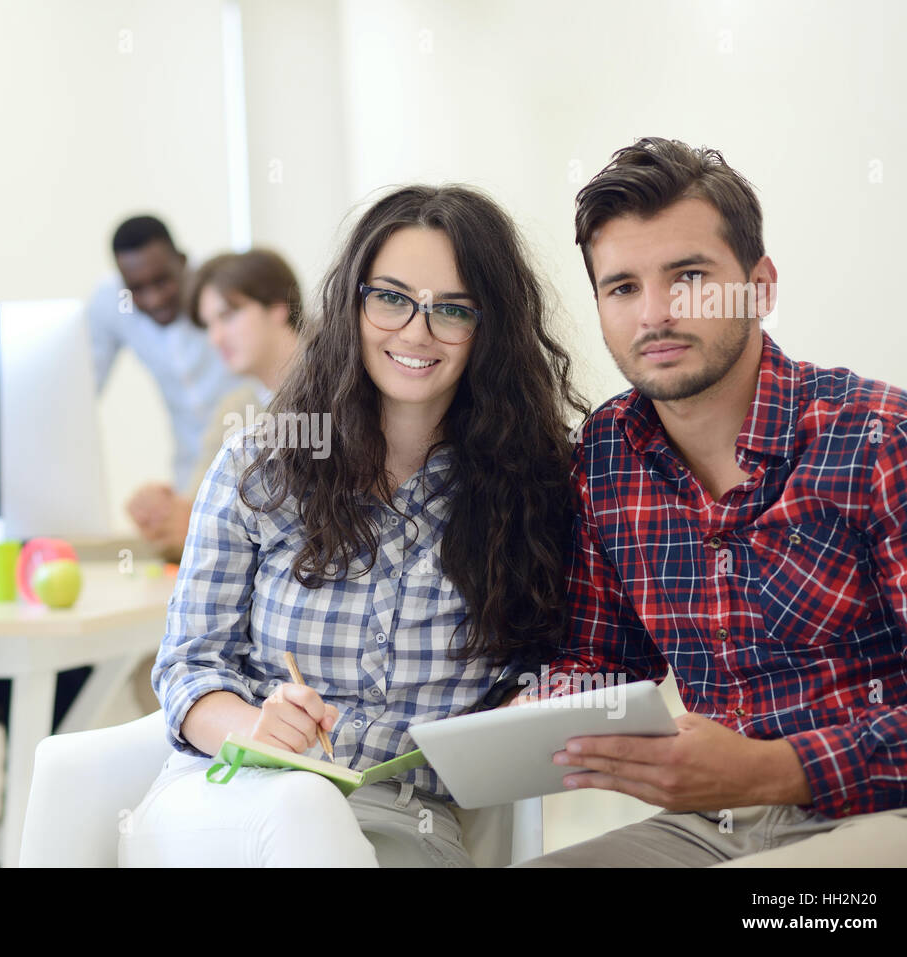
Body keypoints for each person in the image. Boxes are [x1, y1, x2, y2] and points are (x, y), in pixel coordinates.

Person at [118, 185, 590, 867]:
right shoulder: (262, 464)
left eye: (452, 309)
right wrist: (259, 728)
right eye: (391, 298)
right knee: (303, 806)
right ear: (352, 302)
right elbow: (189, 666)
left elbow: (545, 681)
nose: (416, 331)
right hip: (231, 793)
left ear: (490, 330)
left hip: (402, 816)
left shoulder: (533, 491)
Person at [512, 137, 907, 867]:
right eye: (623, 287)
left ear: (760, 286)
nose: (655, 314)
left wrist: (774, 767)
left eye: (690, 276)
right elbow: (606, 659)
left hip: (893, 810)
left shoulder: (885, 440)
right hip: (719, 826)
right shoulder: (606, 454)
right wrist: (534, 708)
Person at [127, 248, 303, 562]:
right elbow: (192, 527)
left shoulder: (345, 385)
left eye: (228, 316)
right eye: (209, 325)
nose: (216, 338)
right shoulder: (234, 411)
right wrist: (163, 519)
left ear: (278, 306)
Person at [86, 215, 245, 498]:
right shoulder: (109, 303)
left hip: (254, 459)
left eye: (162, 281)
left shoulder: (218, 289)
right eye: (137, 289)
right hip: (191, 474)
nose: (154, 299)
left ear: (183, 263)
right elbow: (83, 391)